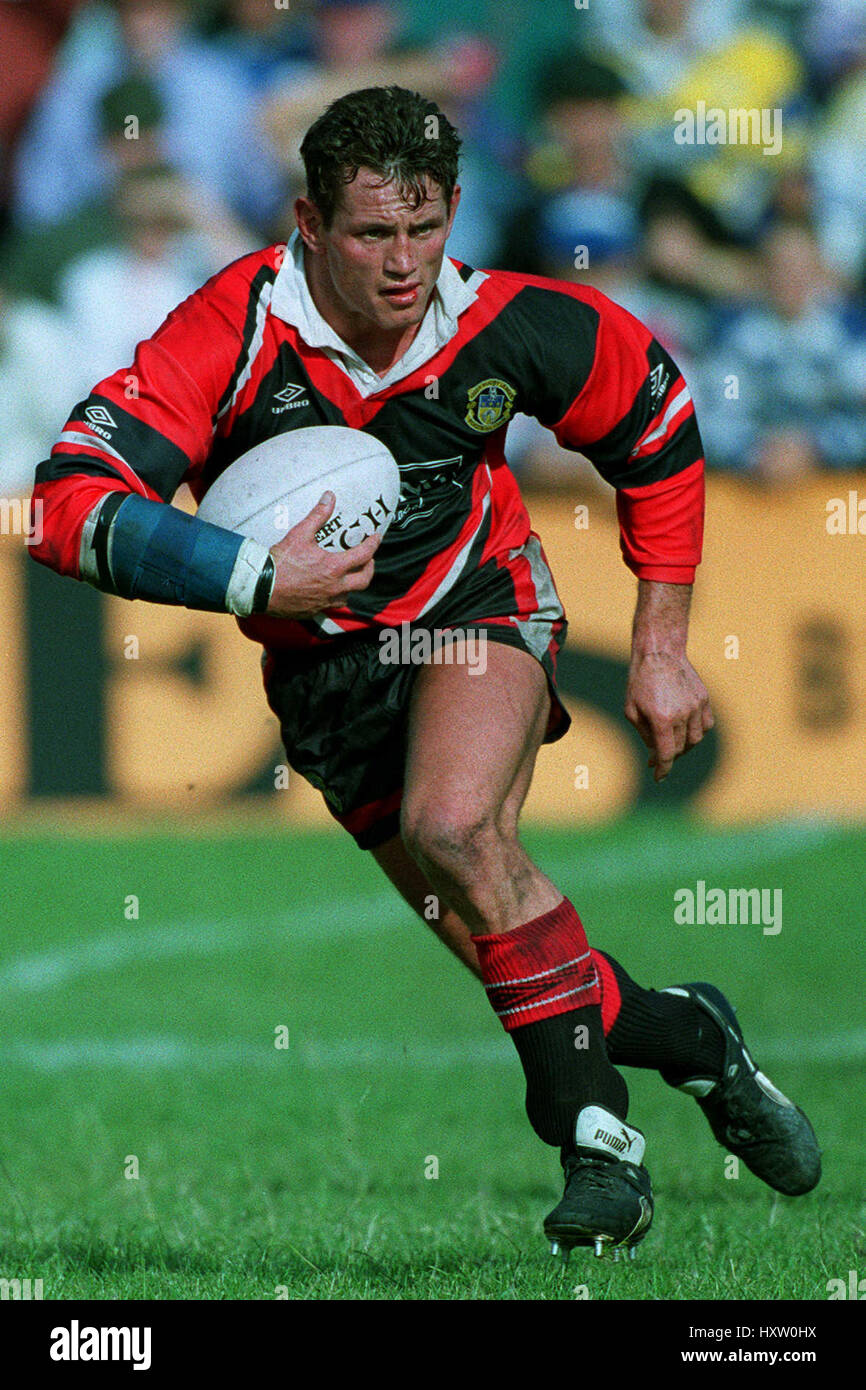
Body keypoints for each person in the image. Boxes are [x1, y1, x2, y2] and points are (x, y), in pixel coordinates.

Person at [29, 85, 820, 1261]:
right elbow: (61, 505)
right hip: (322, 684)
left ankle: (599, 1149)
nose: (402, 264)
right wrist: (248, 575)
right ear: (307, 220)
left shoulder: (510, 322)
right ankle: (695, 1039)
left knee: (458, 830)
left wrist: (659, 647)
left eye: (424, 228)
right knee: (514, 949)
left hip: (477, 605)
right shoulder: (233, 330)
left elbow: (653, 422)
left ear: (454, 211)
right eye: (368, 233)